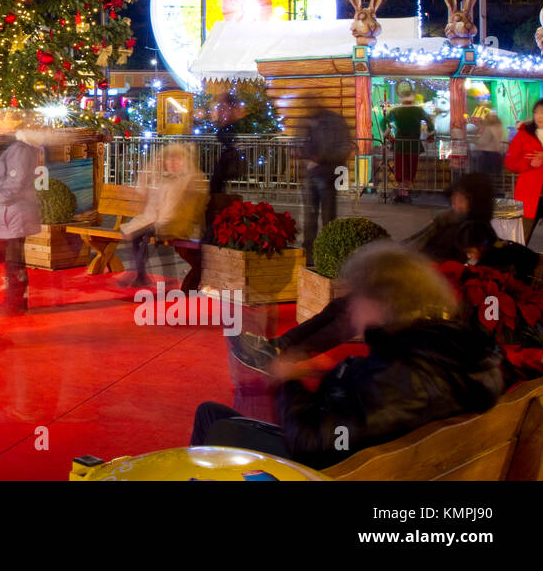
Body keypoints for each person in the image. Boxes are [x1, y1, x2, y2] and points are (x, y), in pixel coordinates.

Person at [194, 244, 503, 469]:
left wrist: (289, 382)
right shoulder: (454, 355)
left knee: (213, 419)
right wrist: (333, 376)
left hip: (327, 471)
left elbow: (310, 445)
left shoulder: (395, 374)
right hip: (390, 466)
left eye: (358, 296)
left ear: (383, 302)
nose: (351, 306)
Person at [232, 173, 500, 370]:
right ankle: (277, 346)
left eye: (462, 198)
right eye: (456, 195)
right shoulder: (445, 222)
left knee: (350, 316)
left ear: (475, 201)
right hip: (405, 285)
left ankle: (284, 357)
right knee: (339, 306)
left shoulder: (474, 230)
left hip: (421, 299)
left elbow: (468, 273)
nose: (456, 201)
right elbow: (413, 248)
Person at [115, 143, 208, 289]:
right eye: (169, 160)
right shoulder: (164, 179)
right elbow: (142, 190)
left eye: (177, 160)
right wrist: (152, 167)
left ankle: (136, 273)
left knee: (144, 236)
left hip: (178, 223)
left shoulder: (191, 178)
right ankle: (139, 274)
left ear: (185, 161)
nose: (172, 163)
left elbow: (192, 206)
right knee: (134, 235)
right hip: (158, 221)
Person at [0, 111, 41, 316]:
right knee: (14, 259)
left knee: (14, 260)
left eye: (2, 120)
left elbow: (15, 181)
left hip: (14, 212)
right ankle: (17, 301)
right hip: (12, 212)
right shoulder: (16, 148)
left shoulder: (18, 150)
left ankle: (14, 303)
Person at [298, 100, 353, 264]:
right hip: (314, 173)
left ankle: (328, 252)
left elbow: (343, 148)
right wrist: (305, 154)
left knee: (327, 216)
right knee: (311, 216)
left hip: (327, 174)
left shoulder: (332, 121)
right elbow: (304, 144)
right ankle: (310, 253)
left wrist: (321, 158)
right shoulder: (311, 121)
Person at [505, 98, 543, 243]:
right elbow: (510, 162)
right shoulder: (523, 134)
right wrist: (529, 164)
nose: (539, 116)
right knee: (521, 237)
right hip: (529, 194)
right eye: (536, 112)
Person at [382, 87, 429, 202]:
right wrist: (431, 134)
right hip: (411, 145)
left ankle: (403, 192)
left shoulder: (398, 110)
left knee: (402, 169)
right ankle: (404, 192)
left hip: (402, 145)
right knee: (408, 169)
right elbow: (429, 121)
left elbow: (384, 122)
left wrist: (388, 134)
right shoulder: (417, 111)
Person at [209, 93, 243, 194]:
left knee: (217, 183)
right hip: (227, 155)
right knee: (217, 182)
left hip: (228, 156)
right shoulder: (228, 116)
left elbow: (224, 136)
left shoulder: (229, 119)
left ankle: (218, 202)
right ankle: (218, 200)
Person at [470, 111, 505, 187]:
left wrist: (473, 141)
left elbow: (484, 141)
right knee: (495, 178)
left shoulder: (489, 128)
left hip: (487, 154)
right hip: (497, 154)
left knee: (485, 177)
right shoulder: (499, 127)